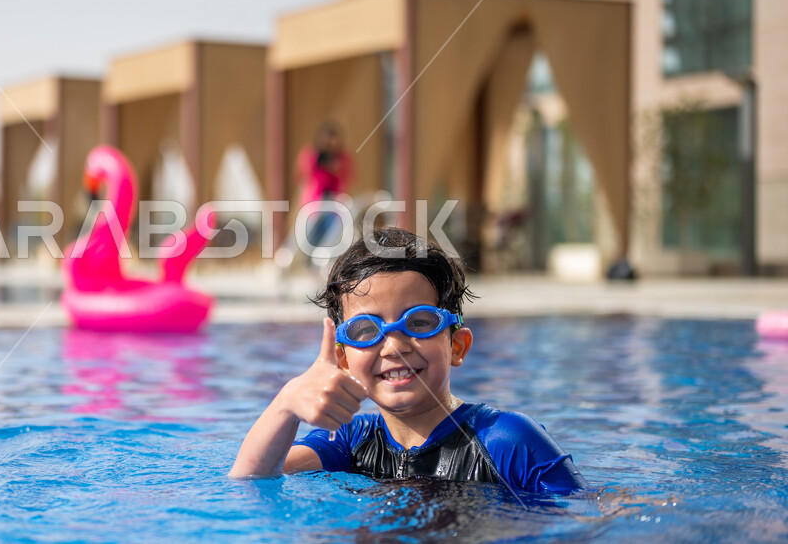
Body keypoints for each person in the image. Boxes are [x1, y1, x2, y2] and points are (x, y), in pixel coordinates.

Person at [230, 227, 587, 495]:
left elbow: (583, 517)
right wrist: (286, 402)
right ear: (343, 359)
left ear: (458, 345)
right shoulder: (348, 442)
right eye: (367, 330)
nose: (394, 346)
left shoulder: (506, 440)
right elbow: (252, 477)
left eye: (419, 322)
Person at [296, 122, 352, 250]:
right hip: (315, 202)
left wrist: (336, 167)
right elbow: (304, 172)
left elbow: (347, 176)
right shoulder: (312, 155)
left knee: (332, 236)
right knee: (310, 237)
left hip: (335, 201)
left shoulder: (342, 157)